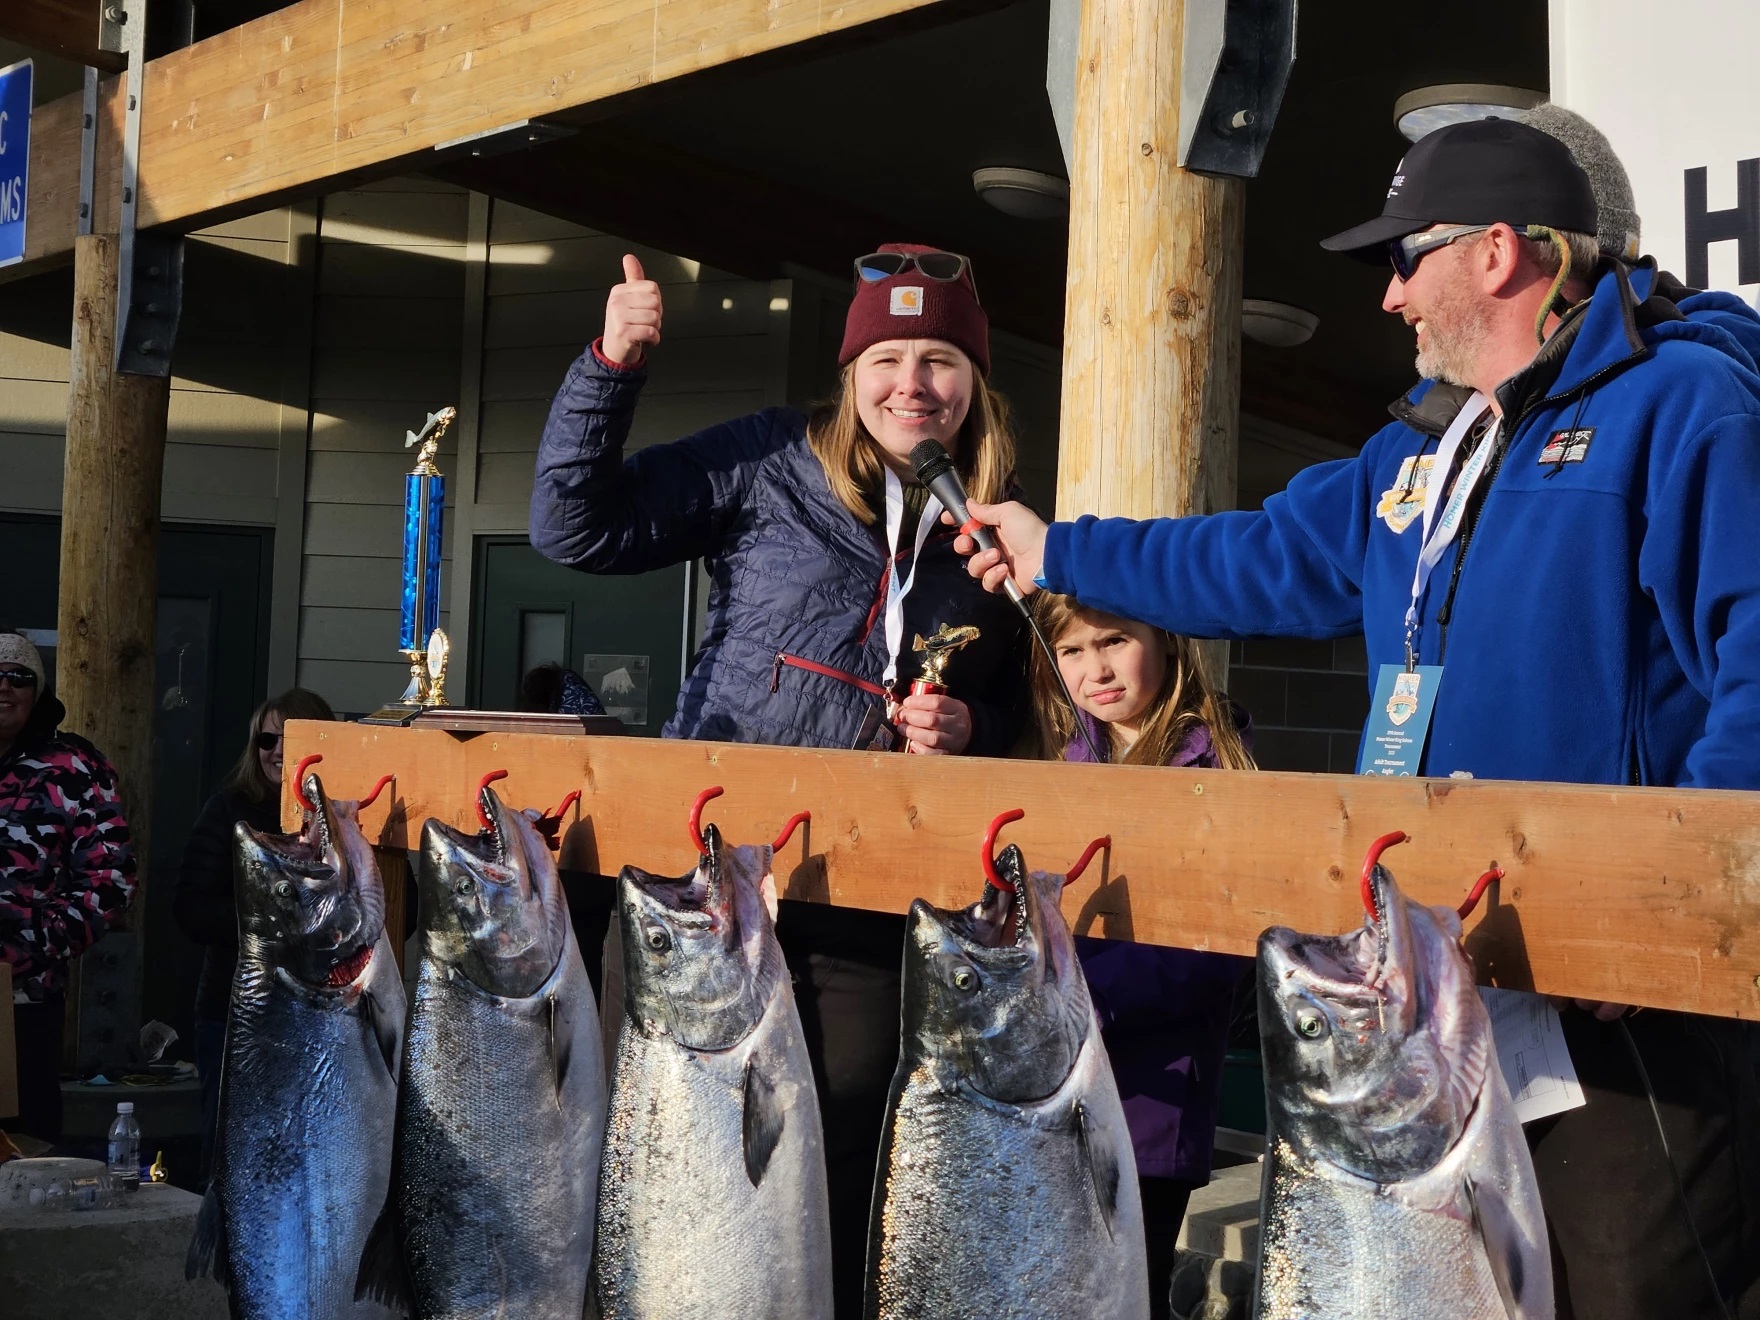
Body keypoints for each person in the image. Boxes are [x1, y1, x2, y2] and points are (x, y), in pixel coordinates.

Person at [957, 118, 1760, 1320]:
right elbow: (1259, 557)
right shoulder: (1422, 447)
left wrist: (1666, 908)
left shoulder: (1682, 400)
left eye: (1403, 257)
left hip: (1625, 1002)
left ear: (1495, 253)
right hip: (1450, 990)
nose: (1386, 297)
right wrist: (1057, 551)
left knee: (1626, 1292)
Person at [529, 244, 1030, 1314]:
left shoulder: (997, 528)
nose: (912, 383)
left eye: (938, 358)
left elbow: (1042, 726)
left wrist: (969, 724)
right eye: (887, 357)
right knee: (674, 1154)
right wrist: (608, 368)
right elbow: (574, 527)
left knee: (839, 1148)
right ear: (849, 376)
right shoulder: (770, 459)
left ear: (973, 382)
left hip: (865, 904)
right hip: (705, 885)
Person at [1032, 594, 1252, 1319]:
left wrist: (1077, 998)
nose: (1094, 668)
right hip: (1059, 1085)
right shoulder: (1072, 756)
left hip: (1151, 1107)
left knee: (1122, 1293)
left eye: (1114, 642)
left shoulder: (1217, 768)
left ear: (1164, 639)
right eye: (1072, 651)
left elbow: (1213, 947)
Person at [173, 686, 335, 1178]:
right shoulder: (228, 810)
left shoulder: (346, 817)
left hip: (324, 1016)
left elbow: (399, 908)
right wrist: (273, 921)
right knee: (232, 1154)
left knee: (310, 1155)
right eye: (268, 739)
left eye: (295, 737)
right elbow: (190, 908)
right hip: (236, 1010)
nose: (279, 751)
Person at [0, 632, 137, 1143]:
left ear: (38, 692)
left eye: (19, 678)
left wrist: (31, 941)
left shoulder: (73, 768)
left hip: (24, 1000)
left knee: (22, 1149)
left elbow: (111, 881)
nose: (5, 688)